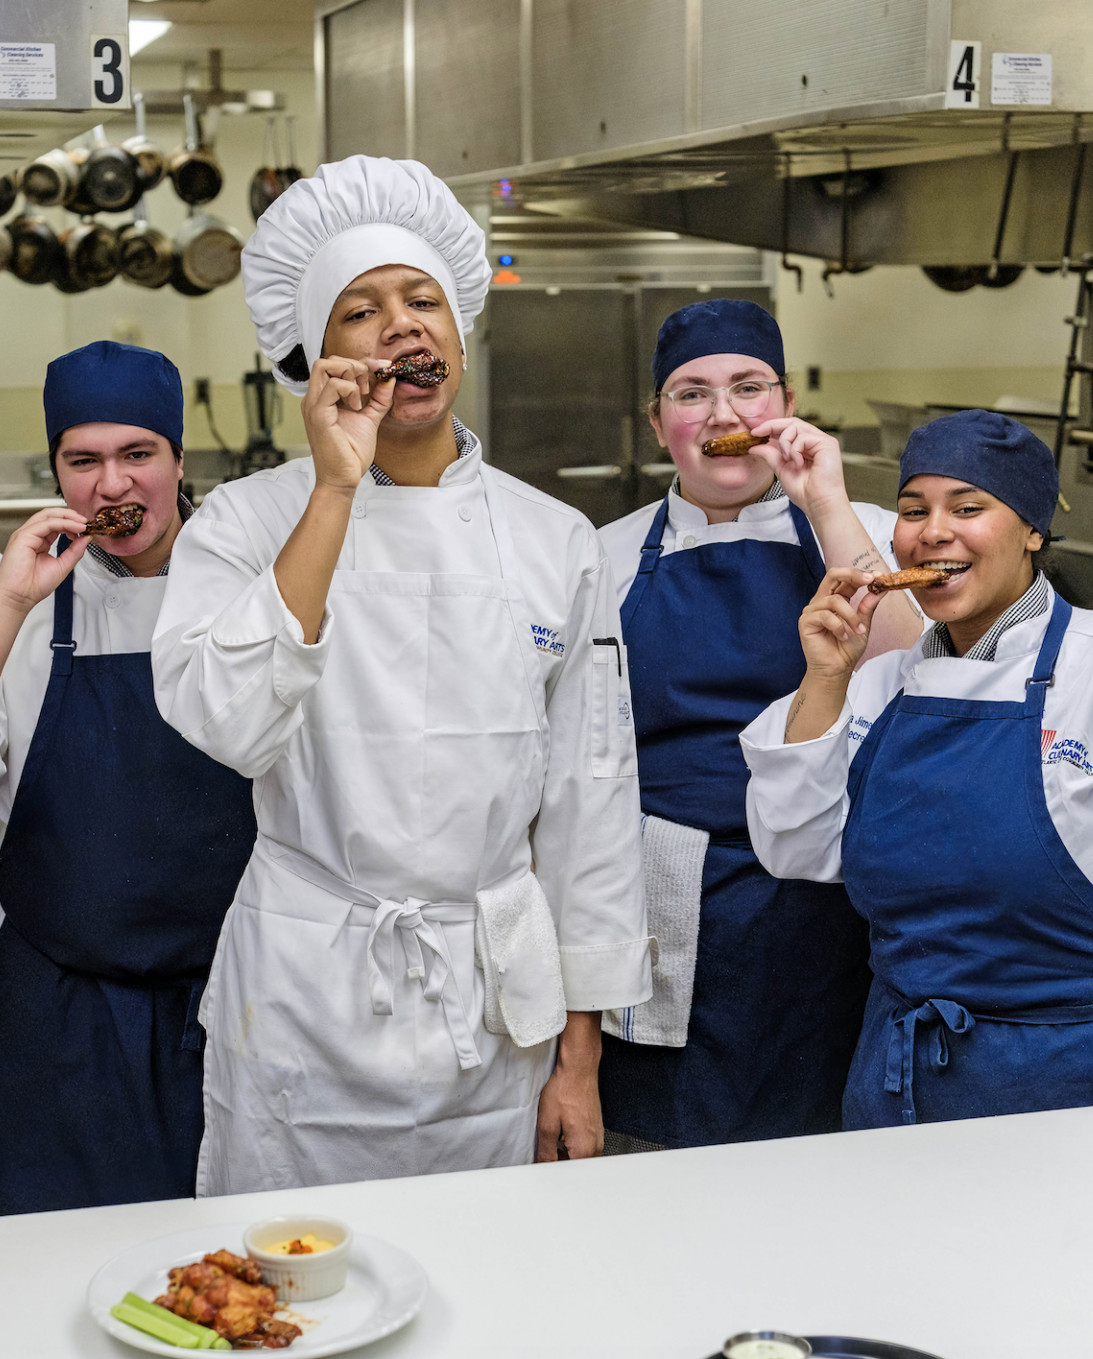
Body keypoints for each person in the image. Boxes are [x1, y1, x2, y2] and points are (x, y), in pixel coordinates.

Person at [153, 156, 651, 1194]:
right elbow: (227, 722)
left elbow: (590, 810)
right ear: (315, 359)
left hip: (489, 999)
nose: (401, 328)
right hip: (304, 988)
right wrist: (334, 488)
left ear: (459, 331)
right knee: (281, 1267)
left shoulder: (554, 539)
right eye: (361, 311)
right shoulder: (247, 520)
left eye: (423, 301)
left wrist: (580, 1059)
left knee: (483, 1264)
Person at [740, 410, 1093, 1134]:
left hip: (1066, 1098)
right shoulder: (881, 686)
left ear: (1033, 530)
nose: (933, 532)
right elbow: (797, 846)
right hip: (895, 1088)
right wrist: (825, 677)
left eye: (967, 508)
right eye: (913, 511)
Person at [0, 341, 256, 1213]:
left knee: (233, 1257)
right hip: (54, 1010)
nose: (112, 484)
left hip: (234, 998)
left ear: (179, 458)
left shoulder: (250, 593)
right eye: (83, 461)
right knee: (45, 1262)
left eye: (137, 453)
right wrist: (10, 600)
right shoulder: (6, 602)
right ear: (58, 472)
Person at [595, 300, 922, 1152]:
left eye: (748, 388)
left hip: (828, 890)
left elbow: (915, 676)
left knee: (815, 1151)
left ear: (786, 404)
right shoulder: (602, 556)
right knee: (660, 1152)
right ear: (657, 423)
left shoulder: (864, 531)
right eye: (691, 393)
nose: (724, 415)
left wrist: (827, 505)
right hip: (664, 895)